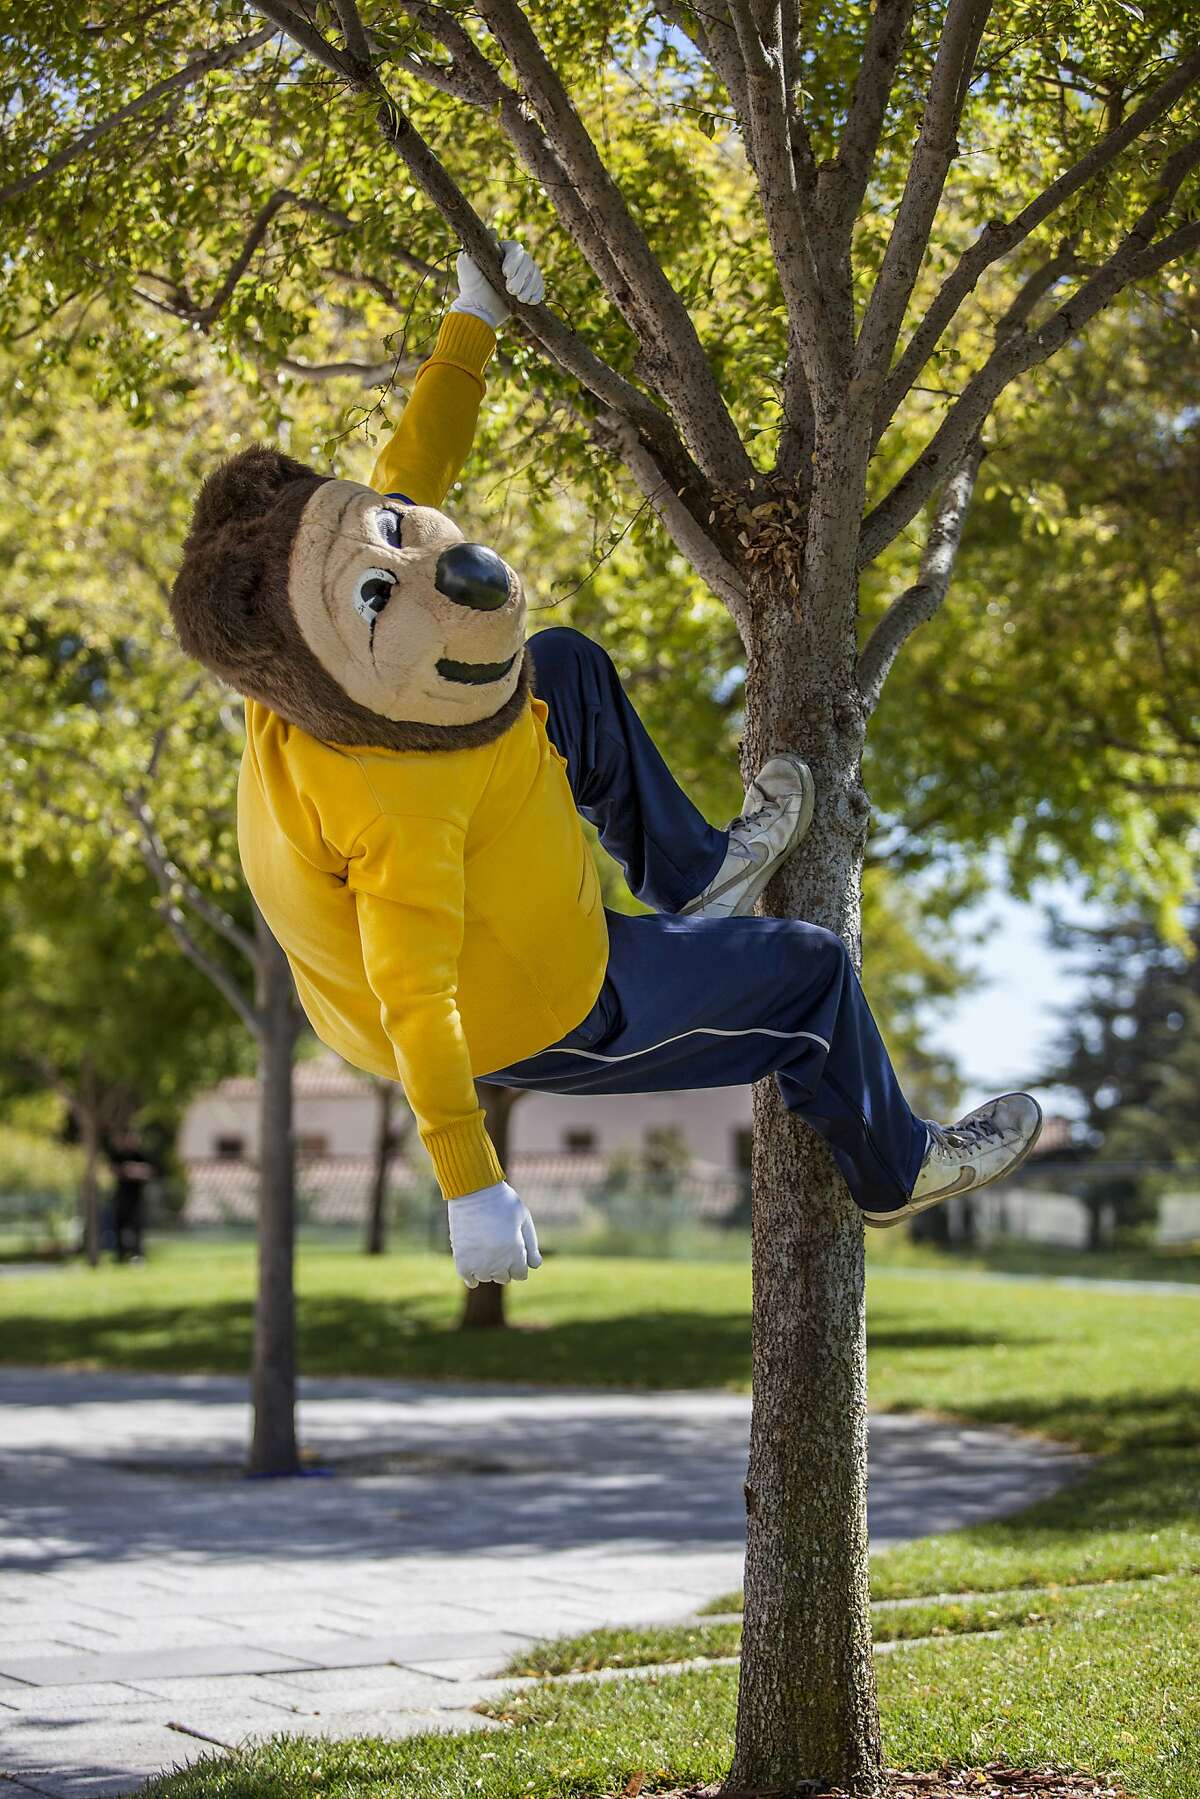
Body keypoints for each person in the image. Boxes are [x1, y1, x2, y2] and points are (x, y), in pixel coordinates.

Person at [168, 237, 1042, 1293]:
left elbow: (409, 474)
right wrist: (469, 1181)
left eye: (391, 539)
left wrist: (472, 316)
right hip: (533, 1008)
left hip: (509, 904)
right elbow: (415, 993)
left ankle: (694, 877)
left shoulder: (323, 670)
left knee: (564, 668)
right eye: (377, 596)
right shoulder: (391, 800)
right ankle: (897, 1164)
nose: (441, 562)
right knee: (809, 974)